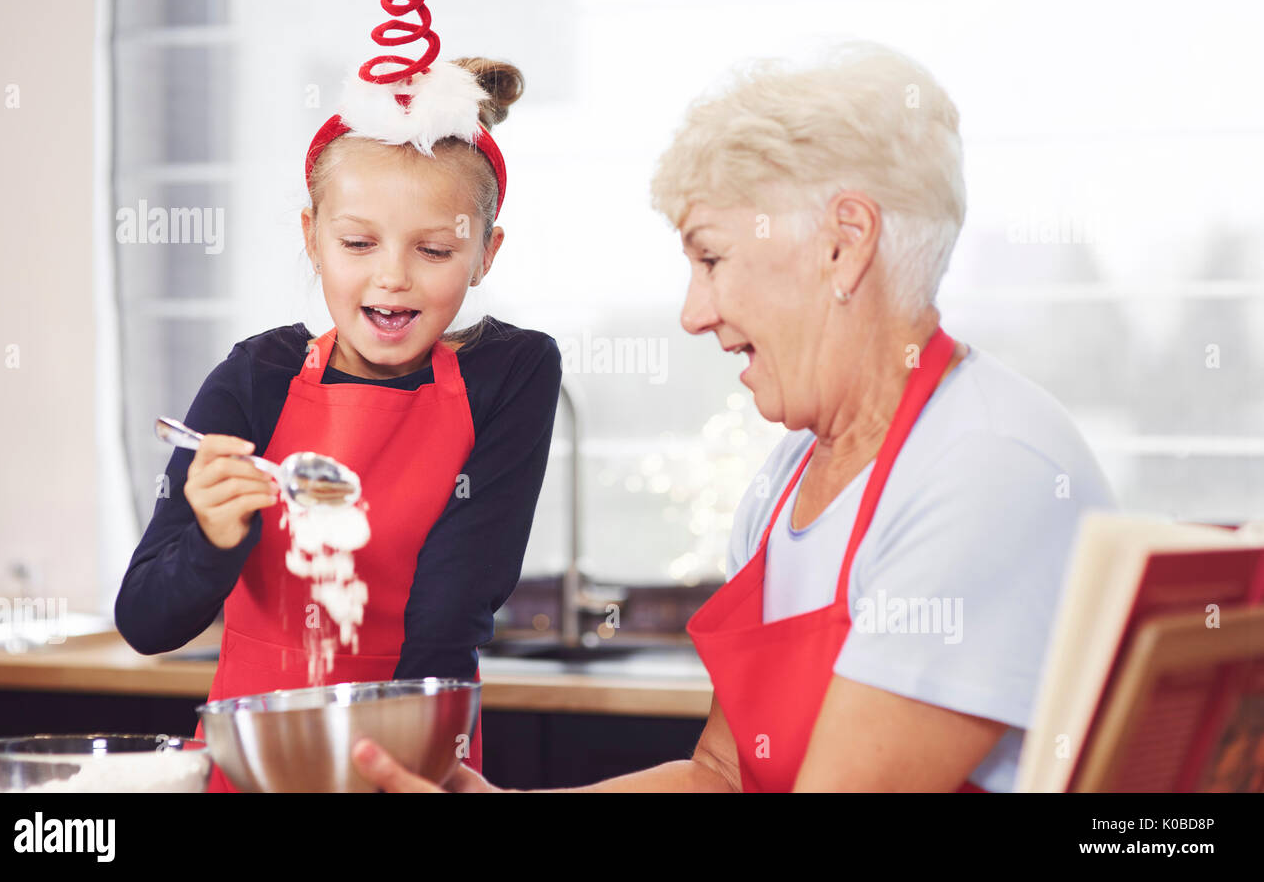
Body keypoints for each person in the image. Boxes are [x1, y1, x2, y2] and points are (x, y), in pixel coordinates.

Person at [352, 40, 1115, 792]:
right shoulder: (788, 480)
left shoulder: (983, 471)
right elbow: (721, 775)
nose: (693, 313)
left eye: (710, 258)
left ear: (844, 244)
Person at [115, 0, 561, 792]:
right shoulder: (255, 378)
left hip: (415, 760)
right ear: (311, 236)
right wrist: (213, 532)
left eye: (434, 248)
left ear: (485, 254)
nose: (391, 274)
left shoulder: (513, 374)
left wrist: (398, 770)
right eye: (357, 242)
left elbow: (452, 606)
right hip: (252, 769)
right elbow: (145, 619)